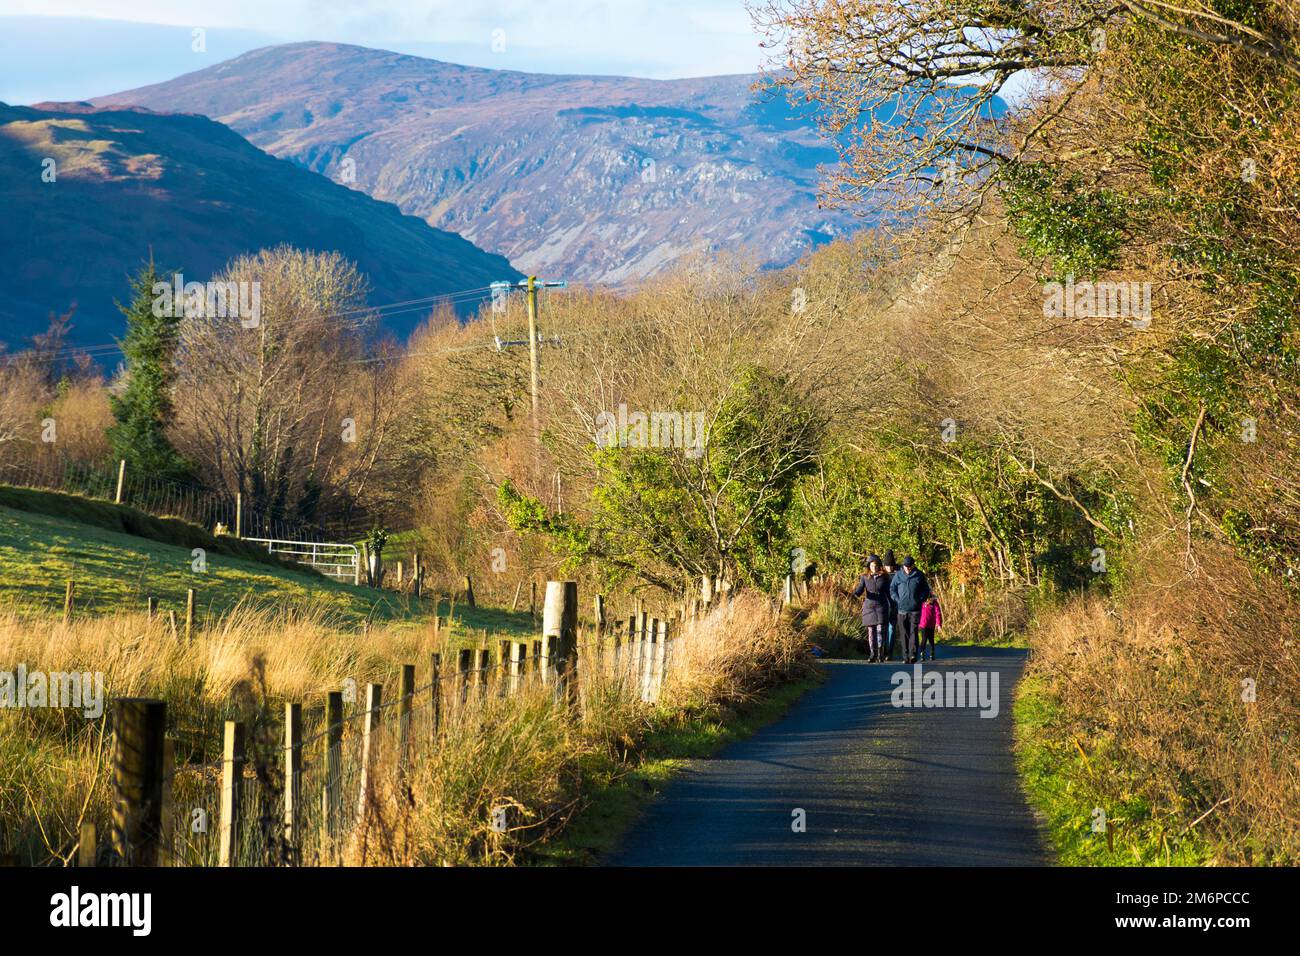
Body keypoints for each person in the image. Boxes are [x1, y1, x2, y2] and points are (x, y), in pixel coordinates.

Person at [889, 555, 931, 664]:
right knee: (904, 634)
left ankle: (913, 655)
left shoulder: (919, 575)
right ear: (903, 566)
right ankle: (905, 656)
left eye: (909, 566)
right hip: (901, 609)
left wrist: (920, 599)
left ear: (913, 565)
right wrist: (897, 599)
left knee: (913, 632)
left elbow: (926, 590)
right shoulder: (898, 575)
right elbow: (892, 589)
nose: (907, 568)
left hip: (915, 609)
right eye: (905, 566)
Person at [852, 555, 890, 662]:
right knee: (871, 631)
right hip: (869, 607)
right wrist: (854, 595)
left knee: (880, 631)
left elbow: (889, 593)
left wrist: (894, 604)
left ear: (879, 566)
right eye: (872, 565)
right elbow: (860, 588)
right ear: (869, 566)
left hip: (881, 606)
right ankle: (873, 654)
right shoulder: (864, 577)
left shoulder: (884, 578)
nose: (874, 567)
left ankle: (880, 654)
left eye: (876, 565)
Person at [880, 550, 897, 660]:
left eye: (891, 566)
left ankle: (889, 652)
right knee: (882, 629)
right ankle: (882, 651)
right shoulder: (881, 576)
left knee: (891, 629)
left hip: (894, 606)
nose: (889, 568)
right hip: (882, 606)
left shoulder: (897, 576)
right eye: (887, 566)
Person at [918, 593, 943, 662]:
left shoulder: (935, 604)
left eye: (933, 599)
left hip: (931, 625)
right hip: (923, 625)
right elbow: (918, 613)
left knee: (931, 640)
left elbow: (938, 613)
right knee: (924, 639)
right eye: (930, 599)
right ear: (927, 599)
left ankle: (932, 654)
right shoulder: (921, 603)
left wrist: (939, 625)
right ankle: (922, 654)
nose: (932, 600)